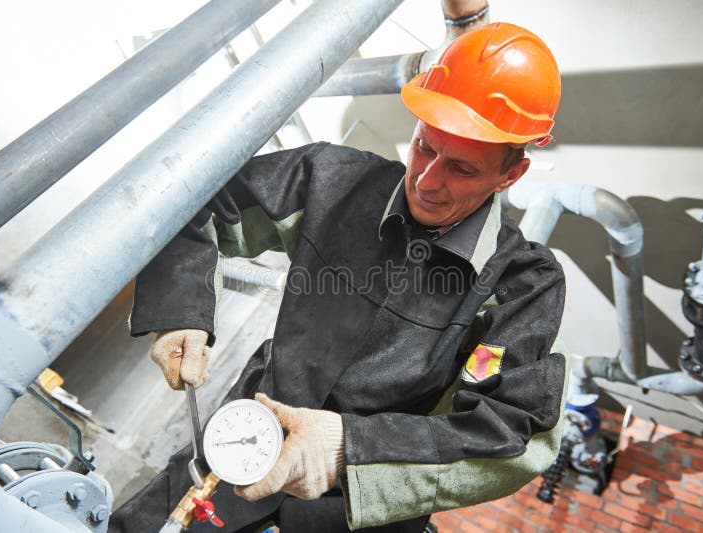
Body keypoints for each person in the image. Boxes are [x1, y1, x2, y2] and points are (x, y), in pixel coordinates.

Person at [110, 22, 568, 533]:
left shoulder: (523, 284)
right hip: (247, 436)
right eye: (424, 147)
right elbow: (198, 203)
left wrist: (348, 446)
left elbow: (506, 430)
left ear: (511, 174)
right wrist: (181, 310)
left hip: (360, 499)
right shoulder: (331, 181)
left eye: (461, 169)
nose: (427, 180)